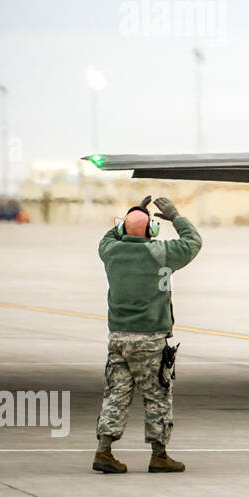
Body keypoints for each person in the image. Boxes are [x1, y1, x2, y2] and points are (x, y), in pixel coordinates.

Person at [92, 195, 202, 474]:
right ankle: (159, 454)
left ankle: (104, 451)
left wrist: (130, 215)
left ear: (122, 231)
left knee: (116, 394)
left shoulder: (110, 251)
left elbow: (109, 237)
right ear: (152, 230)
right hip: (150, 339)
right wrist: (176, 217)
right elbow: (193, 242)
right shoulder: (161, 253)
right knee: (157, 396)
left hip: (117, 338)